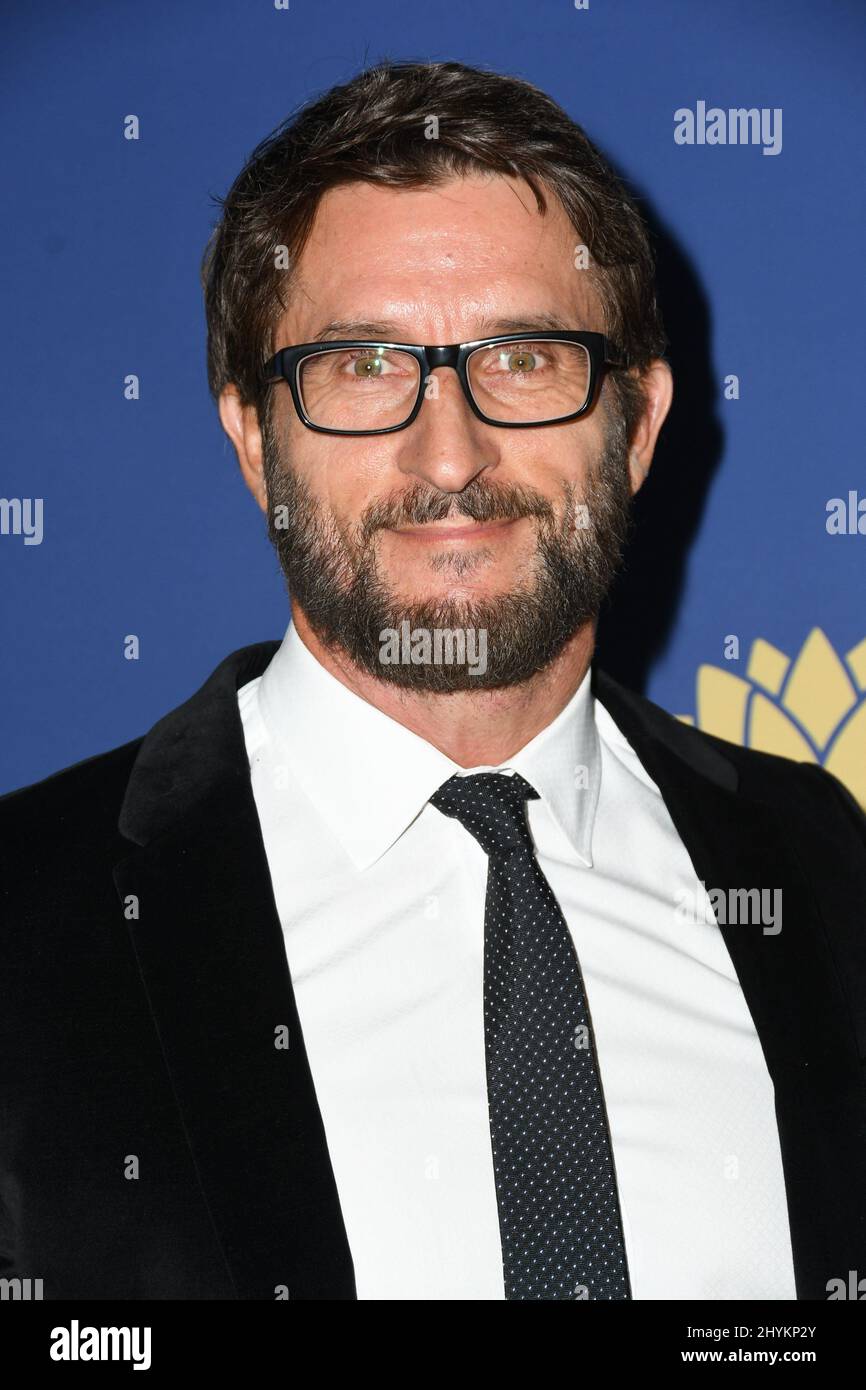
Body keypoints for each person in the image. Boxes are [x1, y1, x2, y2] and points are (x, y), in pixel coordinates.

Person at [2, 60, 864, 1302]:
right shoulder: (27, 920)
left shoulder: (821, 871)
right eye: (362, 366)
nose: (448, 455)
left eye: (521, 358)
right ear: (255, 438)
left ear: (637, 424)